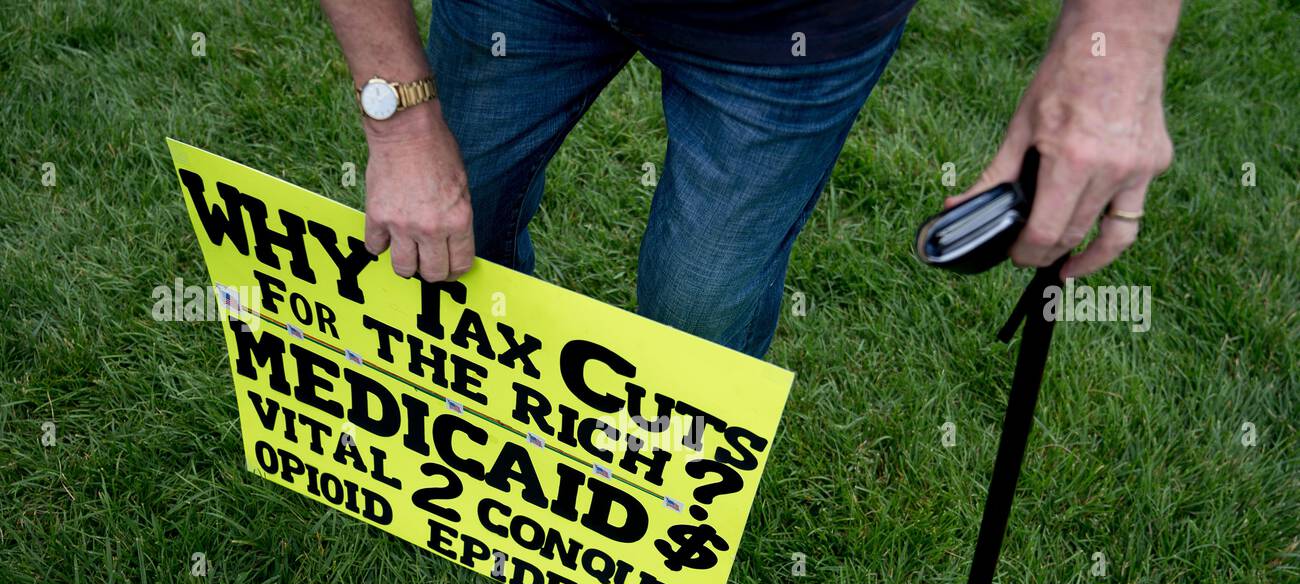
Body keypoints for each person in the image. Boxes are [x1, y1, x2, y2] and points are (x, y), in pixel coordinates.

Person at [320, 0, 1179, 358]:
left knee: (702, 302)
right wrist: (401, 121)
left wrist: (1119, 41)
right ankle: (471, 398)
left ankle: (665, 501)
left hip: (793, 33)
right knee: (461, 210)